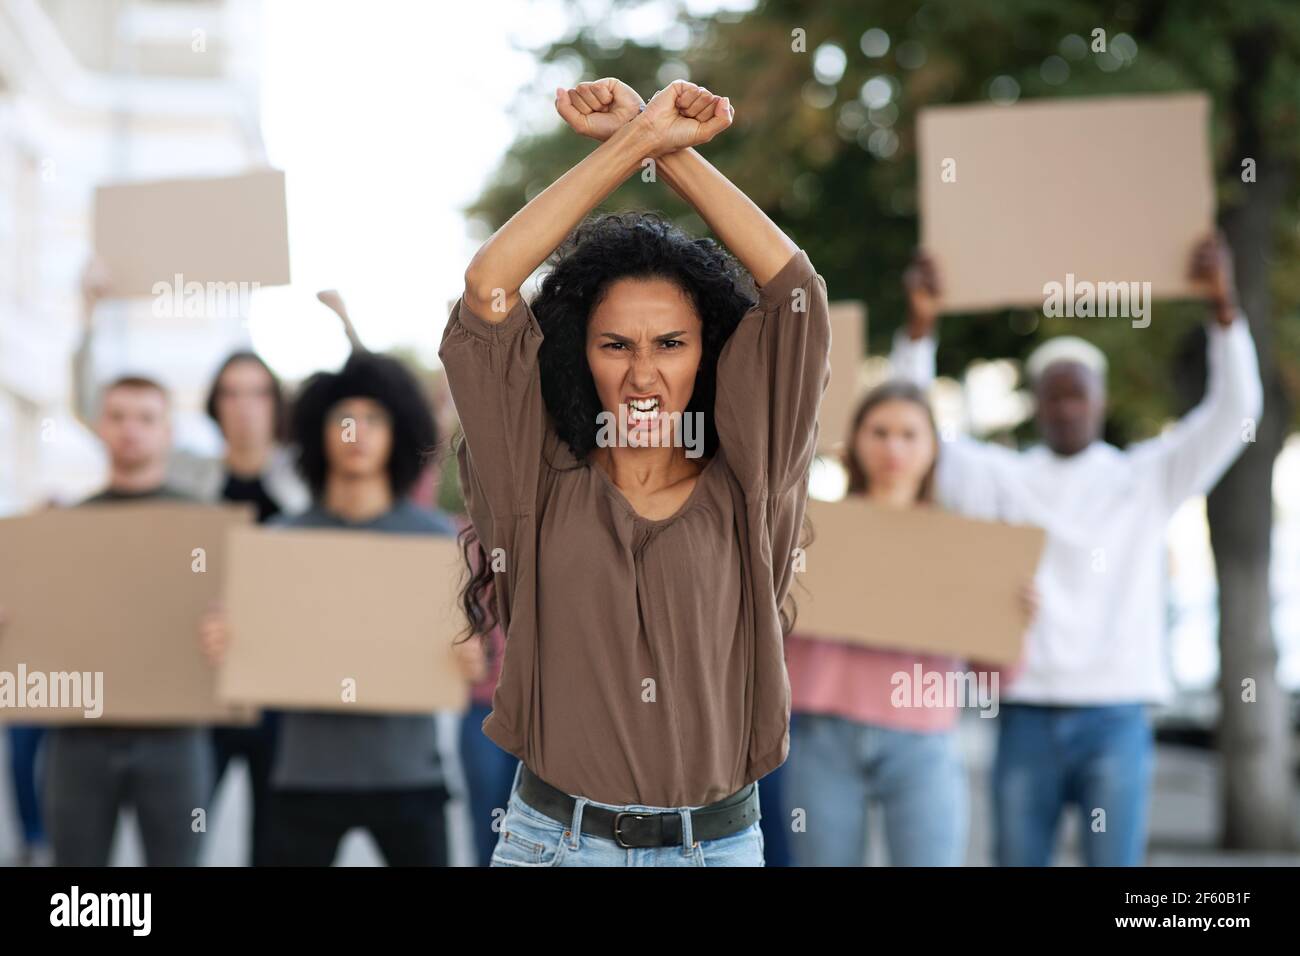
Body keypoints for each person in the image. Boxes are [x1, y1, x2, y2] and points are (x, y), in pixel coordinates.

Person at [440, 77, 831, 867]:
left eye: (670, 344)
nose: (643, 373)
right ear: (580, 358)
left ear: (709, 353)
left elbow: (795, 292)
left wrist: (672, 150)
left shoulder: (751, 486)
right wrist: (630, 149)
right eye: (615, 344)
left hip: (715, 850)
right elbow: (488, 290)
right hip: (552, 845)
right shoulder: (537, 483)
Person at [891, 236, 1263, 866]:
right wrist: (920, 327)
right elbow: (909, 424)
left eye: (1078, 393)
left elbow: (1234, 412)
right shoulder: (1002, 478)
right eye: (1054, 394)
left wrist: (1224, 310)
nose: (1066, 406)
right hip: (1025, 712)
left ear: (1100, 400)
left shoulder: (1146, 478)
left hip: (1116, 715)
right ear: (1037, 404)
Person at [201, 350, 484, 866]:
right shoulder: (278, 542)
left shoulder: (436, 544)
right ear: (318, 431)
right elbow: (253, 652)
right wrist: (228, 641)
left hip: (411, 774)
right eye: (345, 420)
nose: (359, 433)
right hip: (305, 776)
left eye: (374, 419)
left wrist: (467, 659)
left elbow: (461, 653)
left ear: (398, 430)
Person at [782, 379, 1036, 866]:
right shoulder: (813, 532)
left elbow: (999, 677)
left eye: (908, 434)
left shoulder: (966, 544)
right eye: (879, 432)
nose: (892, 447)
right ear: (855, 440)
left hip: (923, 738)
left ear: (933, 447)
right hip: (822, 734)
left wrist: (1012, 621)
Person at [41, 375, 213, 866]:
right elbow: (48, 621)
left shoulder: (205, 524)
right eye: (117, 416)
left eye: (146, 418)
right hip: (79, 733)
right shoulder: (65, 528)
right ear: (99, 427)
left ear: (168, 431)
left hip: (176, 733)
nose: (130, 430)